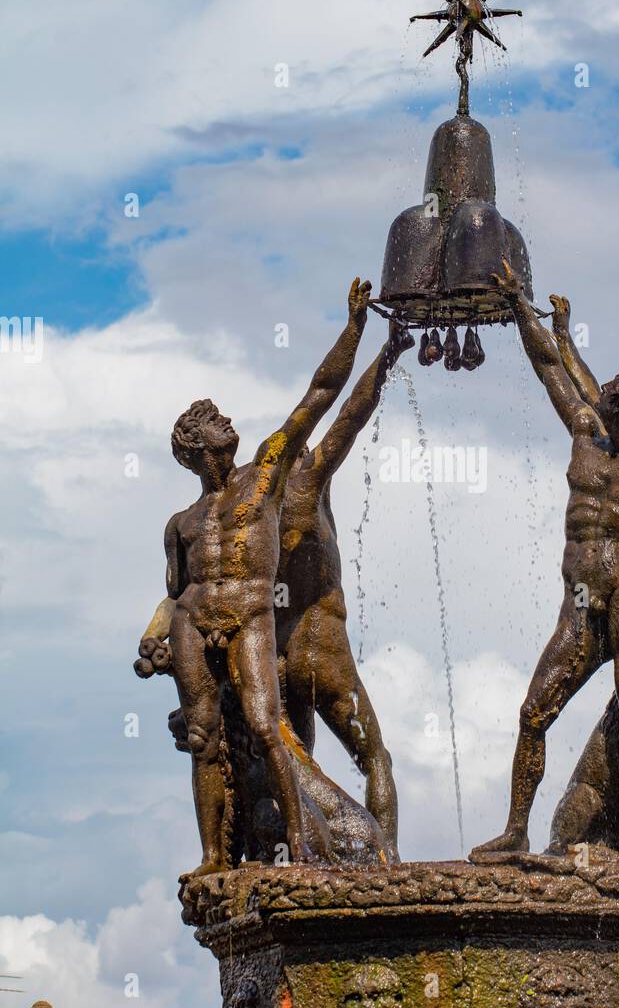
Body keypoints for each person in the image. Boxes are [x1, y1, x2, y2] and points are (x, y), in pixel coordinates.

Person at [136, 278, 373, 874]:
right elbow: (171, 595)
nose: (228, 422)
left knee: (268, 725)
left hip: (248, 612)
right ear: (195, 447)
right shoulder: (181, 521)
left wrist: (355, 328)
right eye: (215, 421)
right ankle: (215, 856)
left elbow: (318, 397)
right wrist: (152, 633)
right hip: (193, 619)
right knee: (203, 737)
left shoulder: (263, 477)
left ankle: (300, 847)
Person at [472, 266, 619, 864]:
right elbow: (551, 366)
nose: (594, 395)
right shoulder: (588, 436)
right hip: (580, 603)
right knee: (534, 713)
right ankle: (516, 830)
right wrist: (521, 305)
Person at [276, 318, 413, 859]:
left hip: (281, 658)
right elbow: (349, 415)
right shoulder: (307, 485)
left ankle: (308, 856)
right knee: (375, 757)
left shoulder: (260, 507)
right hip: (323, 653)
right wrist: (386, 351)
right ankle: (388, 864)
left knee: (302, 758)